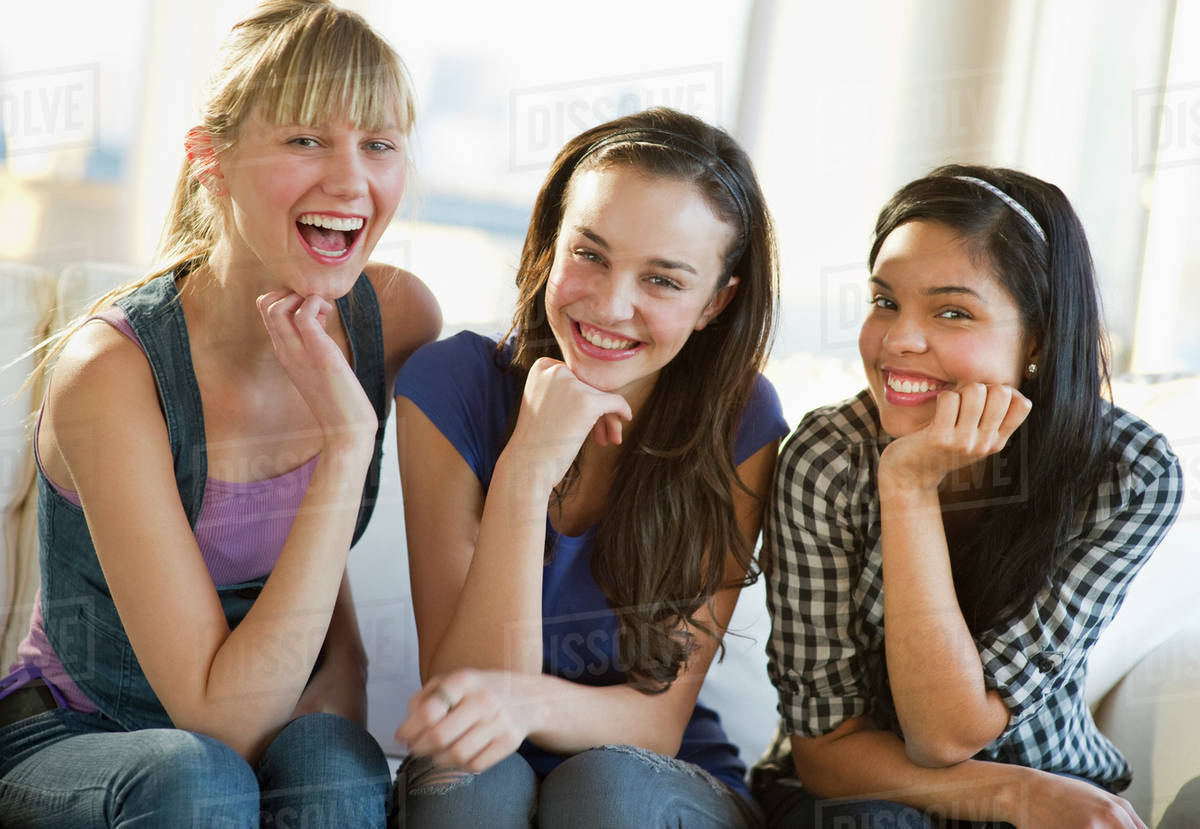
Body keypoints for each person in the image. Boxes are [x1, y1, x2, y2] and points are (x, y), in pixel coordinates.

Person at [0, 1, 440, 826]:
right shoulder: (115, 372)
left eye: (378, 144)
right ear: (211, 159)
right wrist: (348, 442)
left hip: (268, 710)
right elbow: (220, 725)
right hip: (77, 735)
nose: (351, 180)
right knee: (203, 782)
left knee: (341, 776)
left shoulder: (398, 318)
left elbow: (313, 555)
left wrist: (335, 703)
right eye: (306, 139)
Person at [391, 107, 788, 828]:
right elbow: (462, 692)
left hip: (652, 777)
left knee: (602, 789)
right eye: (591, 254)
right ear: (552, 242)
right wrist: (526, 468)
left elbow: (658, 720)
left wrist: (525, 701)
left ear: (715, 303)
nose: (610, 303)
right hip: (480, 763)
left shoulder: (742, 421)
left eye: (664, 280)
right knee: (470, 783)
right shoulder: (451, 385)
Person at [754, 165, 1183, 829]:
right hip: (862, 798)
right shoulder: (829, 457)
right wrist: (908, 484)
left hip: (1055, 787)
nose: (899, 340)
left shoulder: (1127, 472)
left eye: (953, 311)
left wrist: (1035, 798)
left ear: (1036, 341)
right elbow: (839, 751)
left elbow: (957, 725)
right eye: (884, 301)